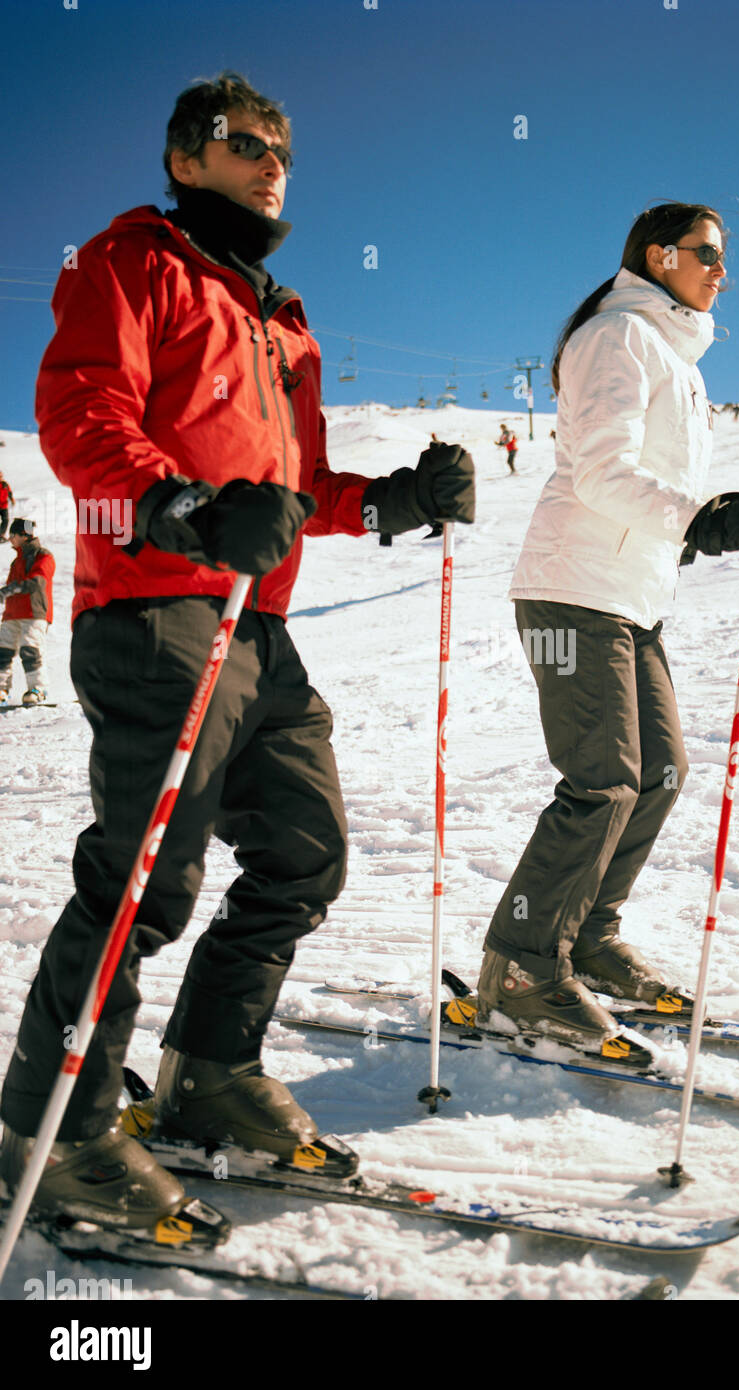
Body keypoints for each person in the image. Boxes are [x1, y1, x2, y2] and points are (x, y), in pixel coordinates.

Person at [0, 72, 474, 1235]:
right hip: (155, 608)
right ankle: (49, 1134)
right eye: (242, 142)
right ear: (183, 157)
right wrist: (181, 506)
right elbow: (78, 412)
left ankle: (207, 1077)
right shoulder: (126, 262)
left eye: (281, 149)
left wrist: (392, 501)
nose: (270, 162)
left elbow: (298, 491)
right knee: (141, 888)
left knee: (304, 853)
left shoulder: (283, 317)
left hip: (257, 628)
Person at [476, 203, 739, 1053]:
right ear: (657, 255)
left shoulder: (672, 354)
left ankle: (587, 939)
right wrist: (709, 519)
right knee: (603, 779)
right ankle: (524, 965)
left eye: (724, 257)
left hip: (631, 598)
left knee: (659, 773)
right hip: (573, 588)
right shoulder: (618, 336)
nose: (721, 270)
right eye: (706, 253)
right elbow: (605, 475)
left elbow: (661, 493)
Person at [0, 518, 55, 705]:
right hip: (12, 614)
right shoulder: (18, 560)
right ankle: (1, 690)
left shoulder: (43, 556)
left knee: (30, 649)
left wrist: (10, 589)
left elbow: (37, 582)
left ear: (24, 535)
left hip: (33, 612)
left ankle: (37, 688)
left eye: (13, 535)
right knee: (3, 652)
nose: (10, 539)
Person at [0, 471, 13, 541]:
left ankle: (1, 535)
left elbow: (9, 492)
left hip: (4, 506)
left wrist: (12, 499)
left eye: (1, 476)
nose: (0, 478)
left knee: (5, 520)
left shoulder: (5, 484)